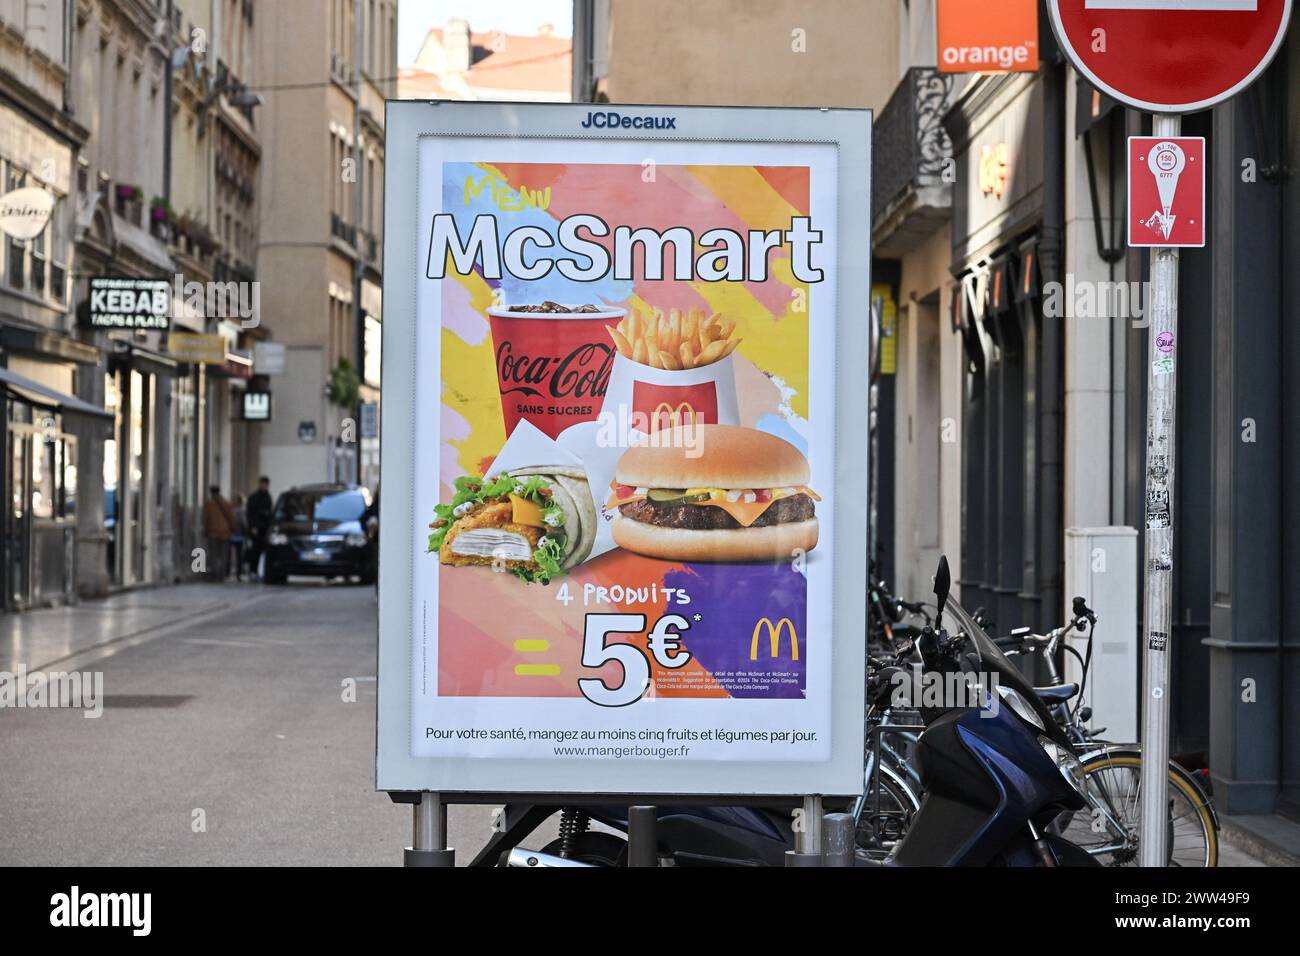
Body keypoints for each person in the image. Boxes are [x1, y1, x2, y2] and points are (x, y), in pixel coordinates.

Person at [201, 485, 235, 581]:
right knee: (223, 555)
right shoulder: (226, 503)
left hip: (213, 533)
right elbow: (232, 517)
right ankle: (221, 575)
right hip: (225, 532)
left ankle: (214, 574)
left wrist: (205, 529)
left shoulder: (209, 504)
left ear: (211, 493)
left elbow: (205, 519)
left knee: (213, 554)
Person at [246, 476, 274, 580]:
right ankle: (253, 571)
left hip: (265, 529)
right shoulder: (254, 497)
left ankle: (260, 571)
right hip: (256, 528)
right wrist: (252, 526)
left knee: (264, 551)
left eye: (266, 485)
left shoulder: (268, 497)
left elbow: (270, 511)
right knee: (255, 551)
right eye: (263, 484)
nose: (264, 486)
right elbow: (250, 513)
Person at [229, 493, 248, 581]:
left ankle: (236, 572)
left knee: (236, 555)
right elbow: (244, 523)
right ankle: (237, 573)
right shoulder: (239, 510)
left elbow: (243, 522)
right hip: (236, 535)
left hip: (235, 535)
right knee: (238, 555)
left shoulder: (235, 510)